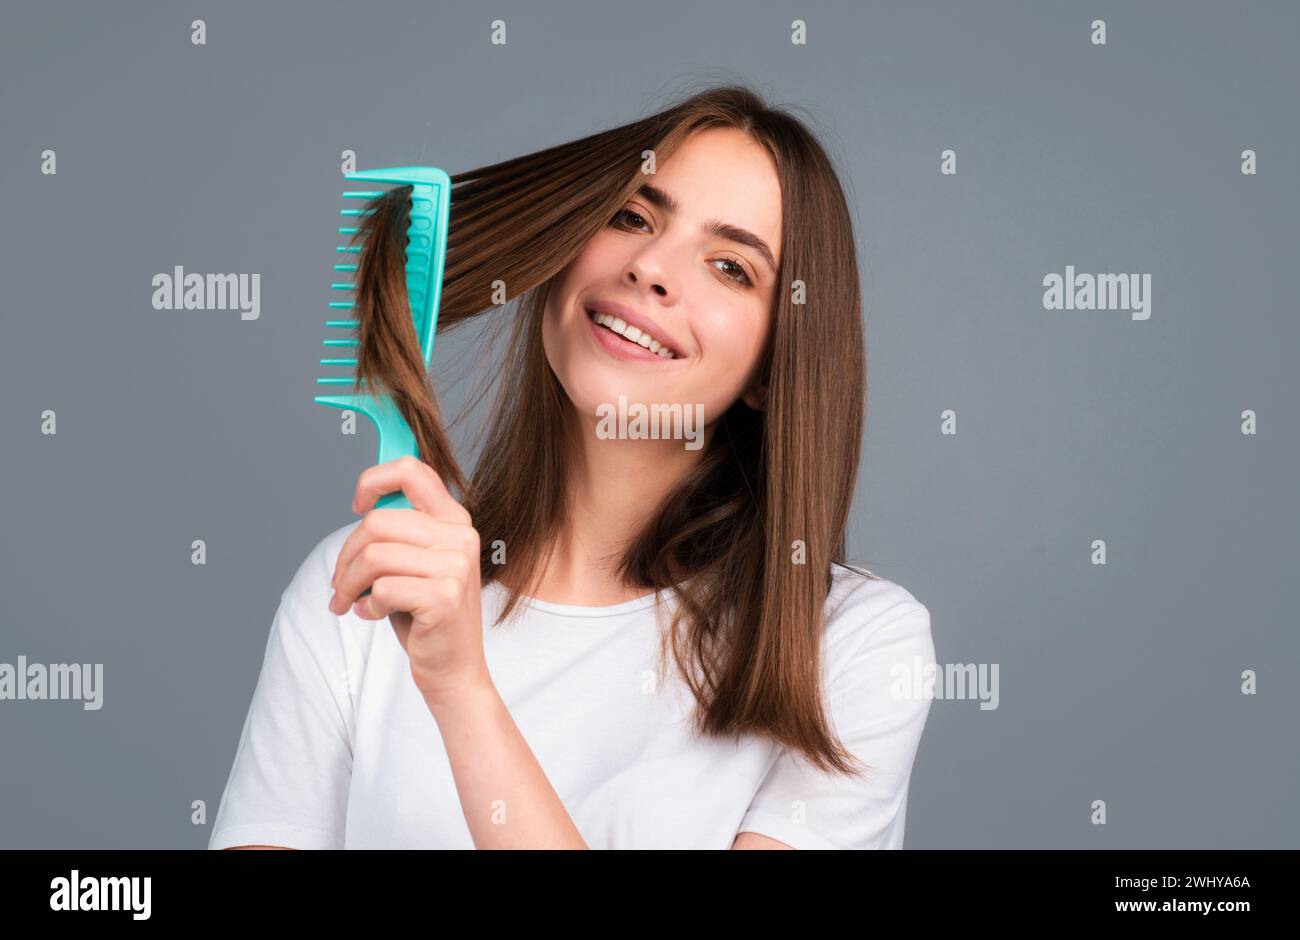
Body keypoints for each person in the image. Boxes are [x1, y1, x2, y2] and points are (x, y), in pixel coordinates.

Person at [208, 83, 936, 850]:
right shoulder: (363, 587)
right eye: (632, 217)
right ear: (555, 249)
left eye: (730, 267)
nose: (652, 266)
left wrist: (461, 690)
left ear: (771, 368)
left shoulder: (855, 649)